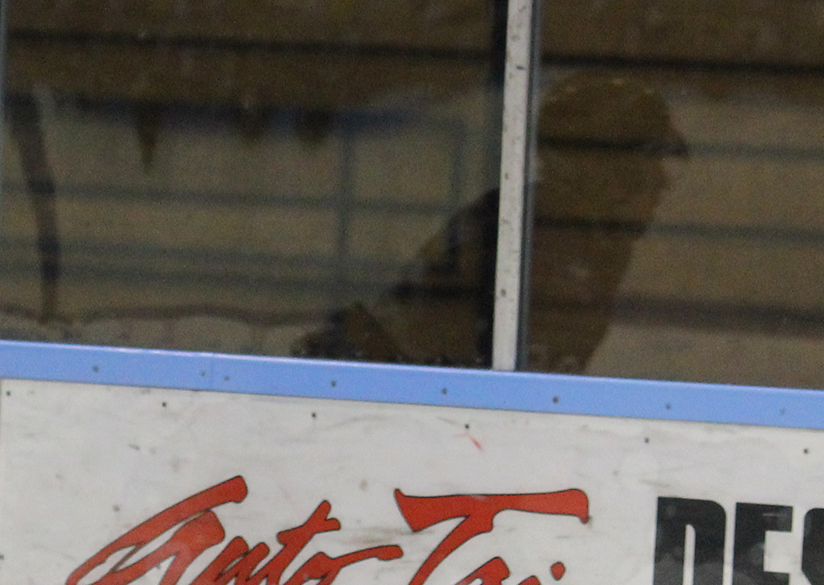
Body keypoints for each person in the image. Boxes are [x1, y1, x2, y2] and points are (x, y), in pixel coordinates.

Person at [293, 72, 684, 372]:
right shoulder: (534, 241)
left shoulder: (583, 240)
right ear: (609, 172)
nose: (662, 182)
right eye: (649, 163)